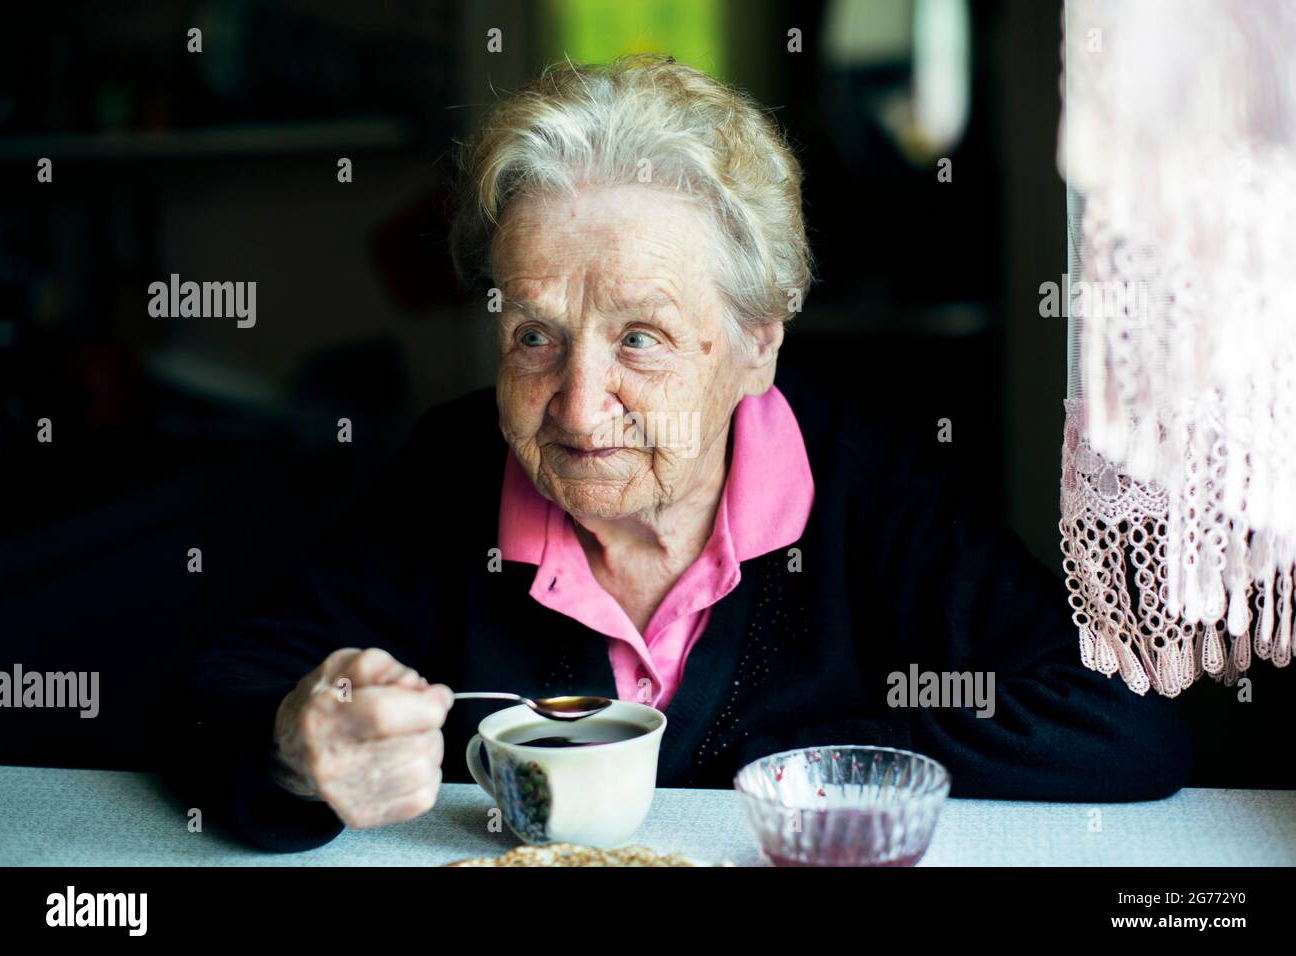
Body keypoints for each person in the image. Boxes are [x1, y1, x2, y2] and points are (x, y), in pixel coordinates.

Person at [185, 54, 1190, 852]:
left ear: (757, 343)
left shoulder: (871, 494)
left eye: (639, 337)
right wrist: (295, 745)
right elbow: (221, 683)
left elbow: (1116, 719)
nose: (577, 405)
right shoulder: (449, 474)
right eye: (534, 335)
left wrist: (797, 760)